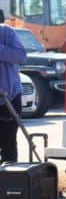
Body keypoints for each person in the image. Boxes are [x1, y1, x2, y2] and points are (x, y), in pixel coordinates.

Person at [0, 23, 28, 162]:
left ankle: (9, 173)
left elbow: (21, 56)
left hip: (9, 98)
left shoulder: (6, 32)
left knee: (8, 143)